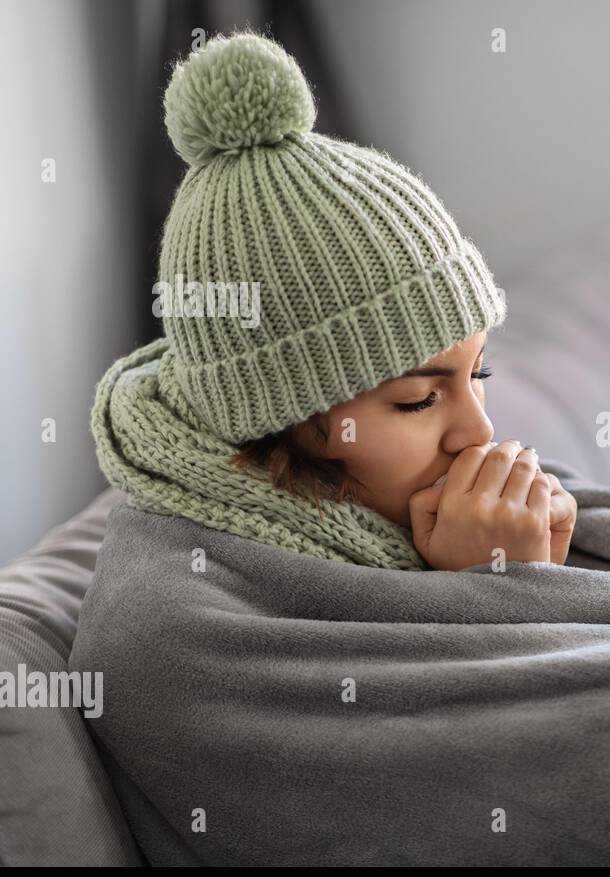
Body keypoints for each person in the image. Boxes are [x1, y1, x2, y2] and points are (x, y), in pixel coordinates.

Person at [93, 31, 575, 572]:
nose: (480, 431)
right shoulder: (184, 605)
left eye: (477, 377)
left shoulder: (494, 511)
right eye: (418, 398)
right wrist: (500, 588)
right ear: (282, 425)